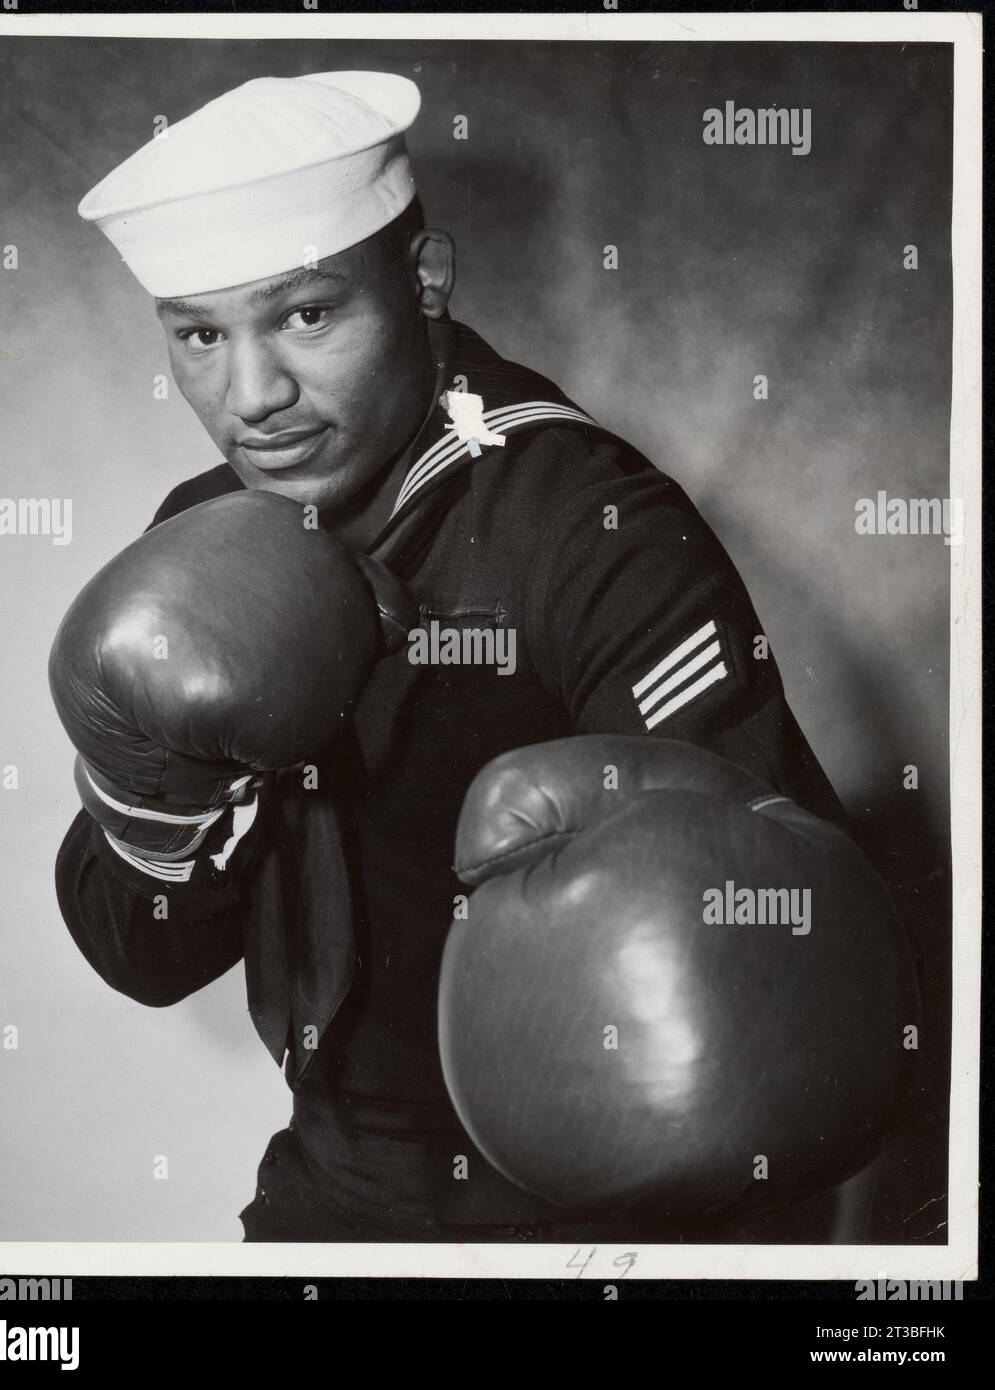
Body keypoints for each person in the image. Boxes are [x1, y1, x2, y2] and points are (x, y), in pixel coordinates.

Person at [52, 72, 916, 1244]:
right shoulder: (203, 527)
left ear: (423, 281)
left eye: (306, 315)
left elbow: (799, 982)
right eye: (201, 334)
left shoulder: (588, 526)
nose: (252, 397)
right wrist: (150, 800)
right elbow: (139, 955)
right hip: (334, 1183)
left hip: (589, 1212)